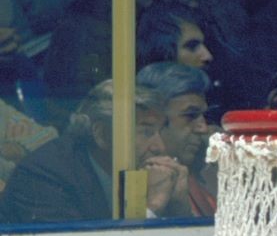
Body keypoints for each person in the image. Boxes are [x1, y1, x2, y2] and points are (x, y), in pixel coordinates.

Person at [0, 79, 191, 223]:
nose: (160, 147)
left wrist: (178, 206)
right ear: (101, 134)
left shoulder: (140, 174)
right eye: (146, 131)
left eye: (160, 131)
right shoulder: (44, 176)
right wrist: (151, 206)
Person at [136, 61, 217, 215]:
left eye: (204, 116)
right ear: (154, 117)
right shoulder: (128, 184)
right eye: (190, 115)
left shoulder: (204, 175)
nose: (203, 128)